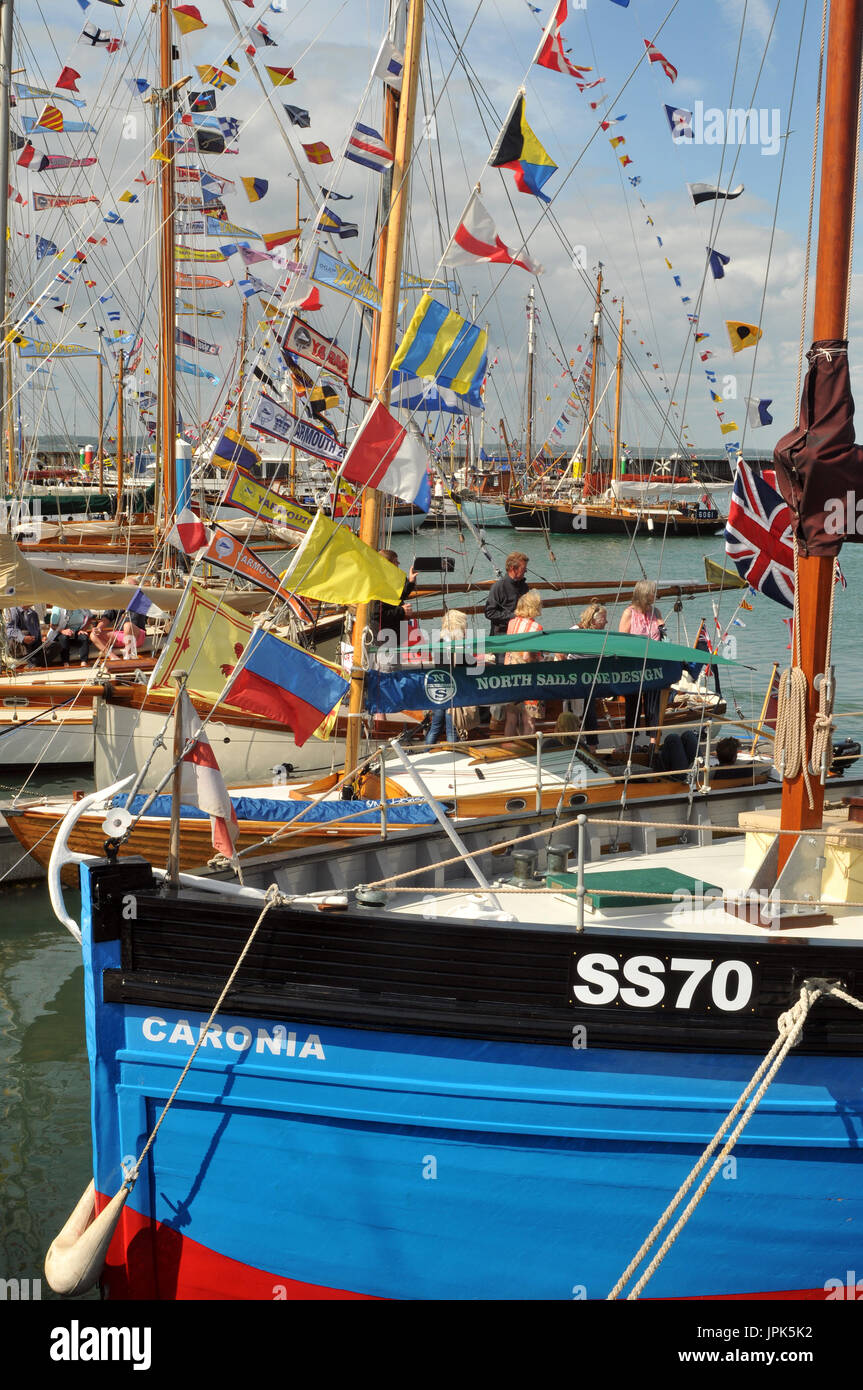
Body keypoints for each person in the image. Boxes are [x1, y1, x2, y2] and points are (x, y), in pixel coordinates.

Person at [619, 581, 665, 746]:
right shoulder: (628, 613)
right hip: (634, 666)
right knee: (633, 704)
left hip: (653, 665)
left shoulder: (656, 612)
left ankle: (653, 742)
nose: (656, 596)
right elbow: (622, 641)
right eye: (653, 593)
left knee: (653, 704)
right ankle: (630, 742)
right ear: (644, 594)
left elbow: (663, 636)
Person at [503, 590, 544, 737]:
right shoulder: (536, 628)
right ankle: (529, 752)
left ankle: (508, 749)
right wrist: (541, 659)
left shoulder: (512, 623)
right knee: (529, 721)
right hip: (528, 679)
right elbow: (528, 656)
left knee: (511, 719)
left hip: (510, 677)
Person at [425, 609, 468, 745]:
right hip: (453, 691)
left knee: (435, 728)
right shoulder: (458, 643)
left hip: (439, 689)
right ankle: (452, 755)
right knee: (452, 729)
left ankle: (426, 751)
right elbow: (464, 664)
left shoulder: (439, 640)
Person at [370, 548, 417, 669]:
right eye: (396, 561)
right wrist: (402, 611)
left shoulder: (388, 580)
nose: (399, 564)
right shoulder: (378, 584)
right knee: (388, 669)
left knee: (393, 667)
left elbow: (398, 595)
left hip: (392, 636)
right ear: (388, 563)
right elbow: (377, 613)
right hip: (385, 638)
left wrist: (410, 582)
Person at [484, 551, 529, 635]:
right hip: (502, 634)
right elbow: (489, 613)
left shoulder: (524, 587)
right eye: (523, 568)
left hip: (521, 631)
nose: (526, 571)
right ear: (513, 569)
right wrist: (512, 616)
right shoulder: (498, 587)